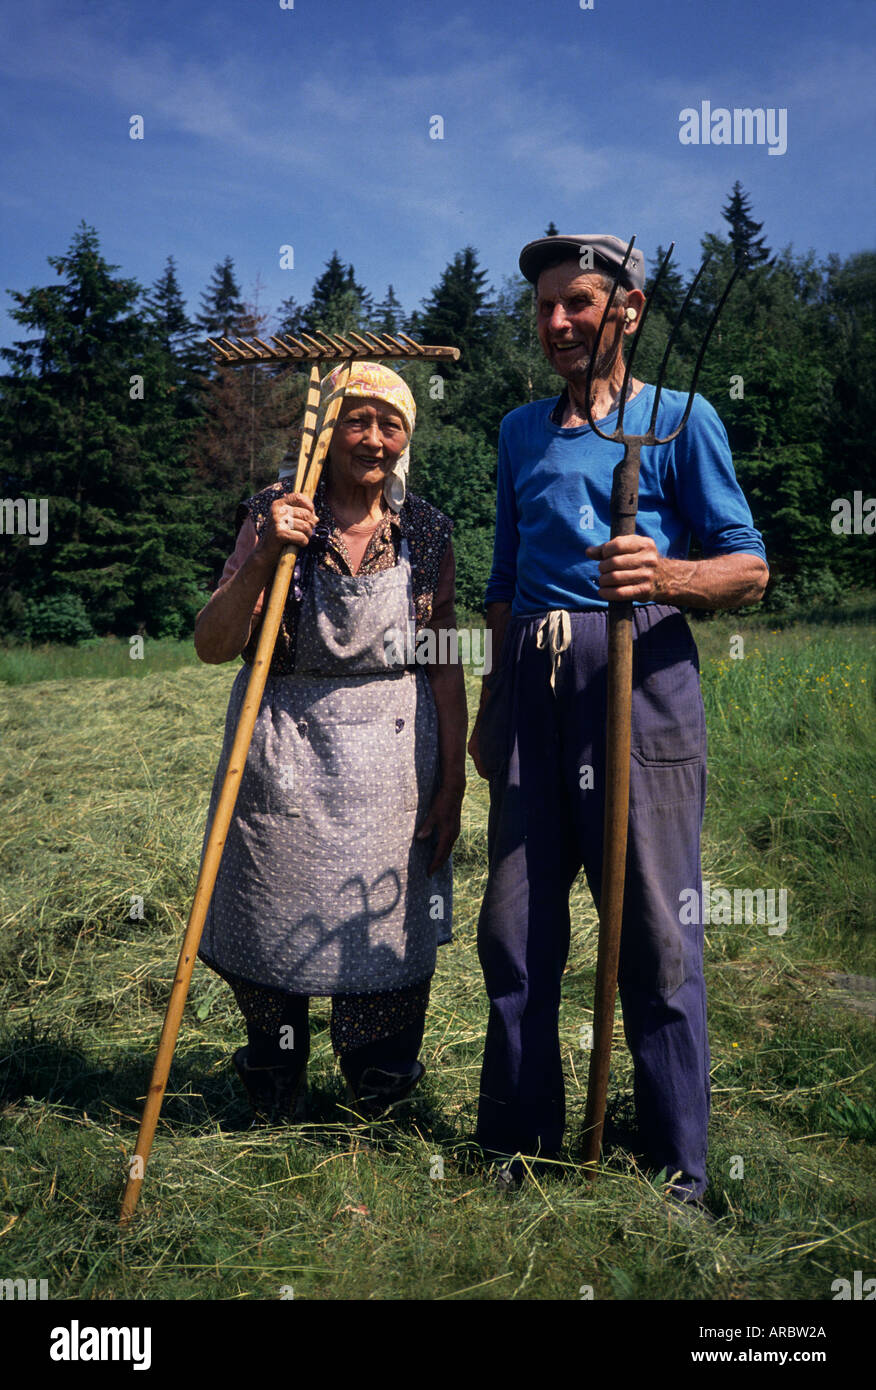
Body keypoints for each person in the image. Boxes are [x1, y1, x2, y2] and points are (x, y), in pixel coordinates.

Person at [468, 234, 769, 1204]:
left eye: (579, 305)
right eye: (546, 308)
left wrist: (668, 575)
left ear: (627, 311)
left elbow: (749, 567)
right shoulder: (520, 432)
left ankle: (679, 1161)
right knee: (513, 929)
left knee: (653, 931)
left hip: (641, 678)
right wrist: (491, 706)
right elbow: (506, 584)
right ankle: (523, 1141)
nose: (558, 323)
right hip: (534, 683)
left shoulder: (682, 420)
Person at [194, 361, 467, 1122]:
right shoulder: (272, 514)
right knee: (268, 926)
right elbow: (213, 645)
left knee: (382, 930)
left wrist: (452, 784)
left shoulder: (428, 530)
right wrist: (263, 558)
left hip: (391, 763)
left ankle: (376, 1103)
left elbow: (444, 661)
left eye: (391, 424)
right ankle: (275, 1095)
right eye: (357, 420)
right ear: (324, 431)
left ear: (407, 439)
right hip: (281, 754)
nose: (373, 439)